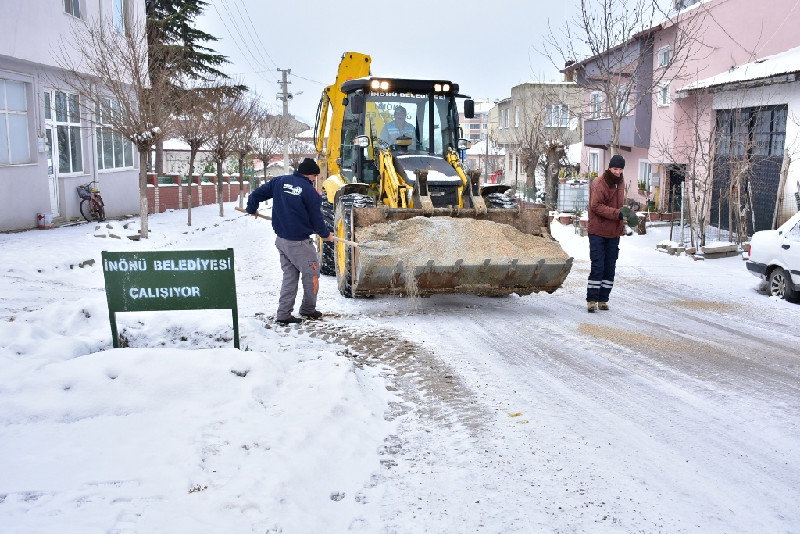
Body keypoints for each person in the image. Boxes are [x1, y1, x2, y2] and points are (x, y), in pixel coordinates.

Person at [246, 158, 333, 325]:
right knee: (312, 275)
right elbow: (317, 218)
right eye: (315, 176)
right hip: (300, 243)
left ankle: (284, 314)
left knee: (290, 277)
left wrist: (251, 209)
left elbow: (256, 194)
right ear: (309, 174)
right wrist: (325, 235)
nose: (315, 179)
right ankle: (308, 309)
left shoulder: (280, 181)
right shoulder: (309, 191)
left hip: (282, 241)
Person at [586, 154, 637, 313]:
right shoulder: (599, 183)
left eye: (620, 169)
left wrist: (625, 216)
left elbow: (619, 205)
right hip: (598, 231)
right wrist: (618, 214)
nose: (618, 172)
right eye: (615, 169)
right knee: (598, 265)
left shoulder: (620, 182)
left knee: (610, 267)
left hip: (614, 232)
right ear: (609, 167)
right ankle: (592, 300)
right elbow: (595, 206)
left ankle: (603, 299)